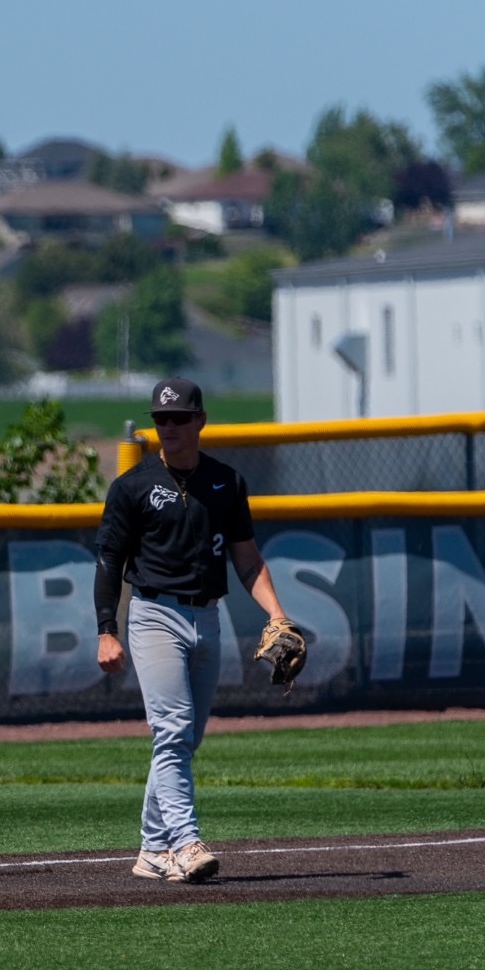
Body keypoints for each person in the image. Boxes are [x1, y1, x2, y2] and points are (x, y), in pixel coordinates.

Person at [94, 377, 292, 884]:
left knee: (184, 739)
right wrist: (106, 631)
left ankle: (151, 849)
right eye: (161, 419)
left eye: (179, 417)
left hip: (209, 615)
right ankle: (185, 842)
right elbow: (109, 563)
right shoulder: (132, 487)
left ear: (200, 420)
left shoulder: (226, 482)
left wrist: (276, 614)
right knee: (173, 729)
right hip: (154, 614)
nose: (170, 427)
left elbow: (247, 561)